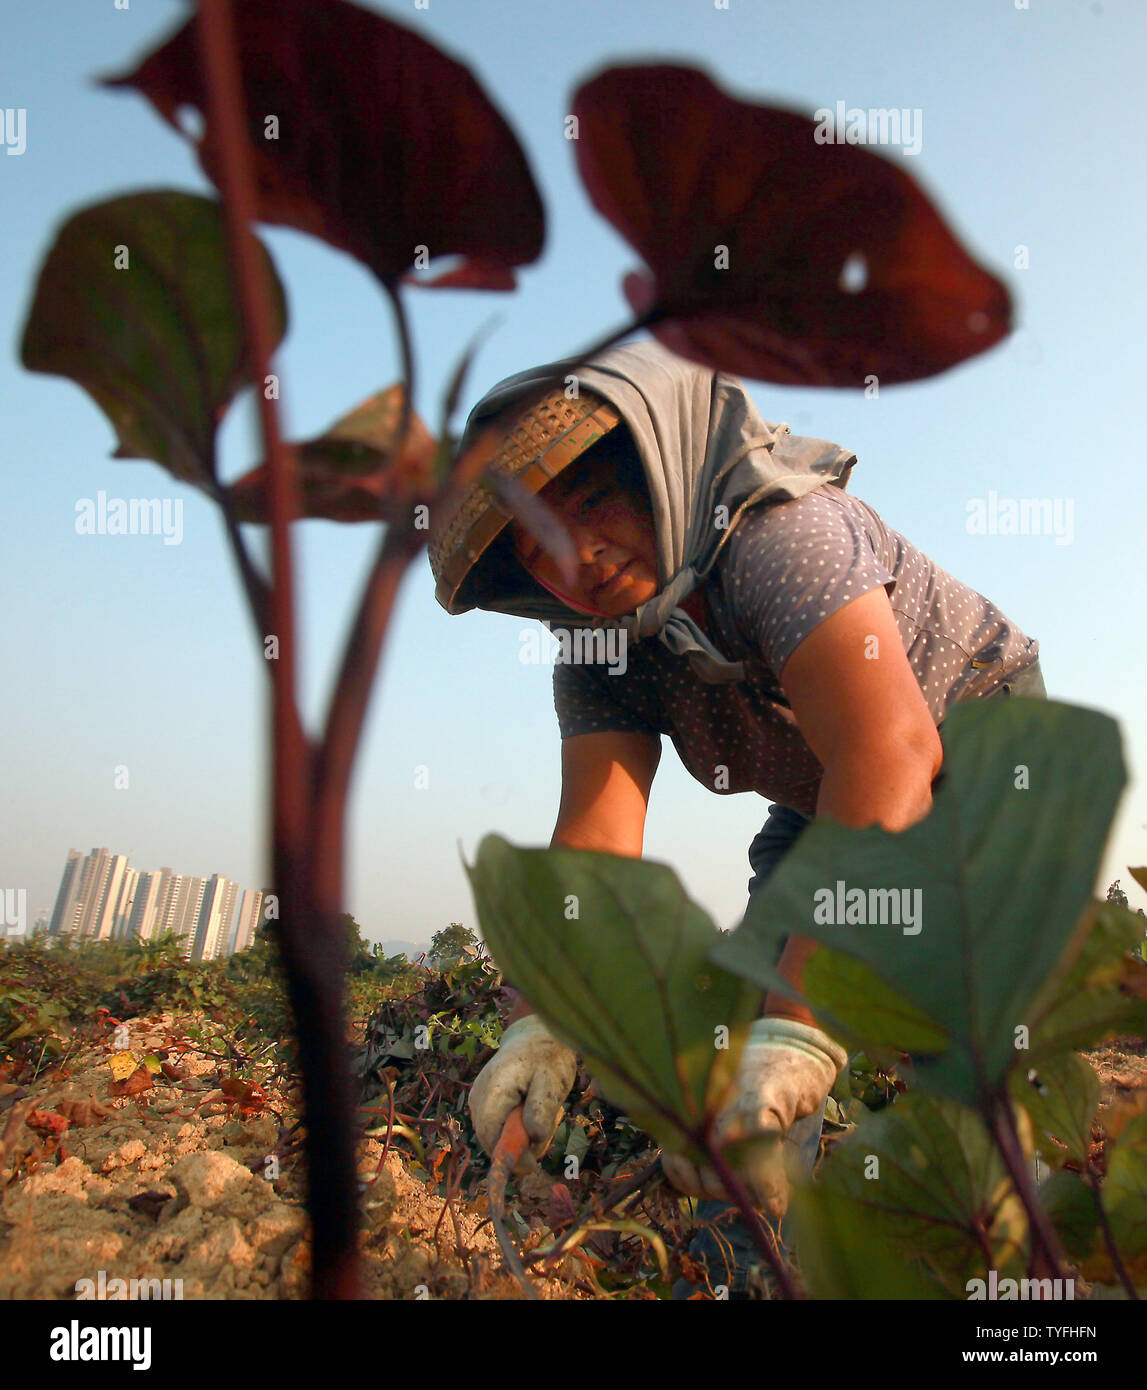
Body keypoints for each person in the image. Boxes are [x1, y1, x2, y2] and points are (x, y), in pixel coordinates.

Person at [427, 338, 1046, 1296]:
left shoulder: (779, 538)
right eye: (536, 544)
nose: (579, 558)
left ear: (663, 470)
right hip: (823, 796)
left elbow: (888, 755)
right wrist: (543, 1016)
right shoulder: (600, 647)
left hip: (981, 750)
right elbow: (594, 841)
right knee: (747, 1018)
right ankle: (741, 1270)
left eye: (593, 503)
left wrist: (800, 1031)